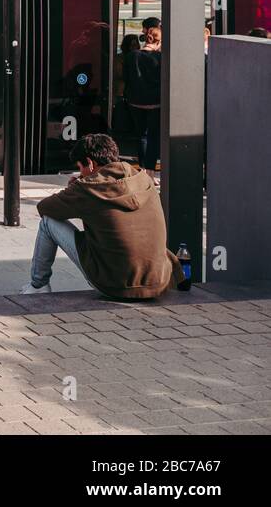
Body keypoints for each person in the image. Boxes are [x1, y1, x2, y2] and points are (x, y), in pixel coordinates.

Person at [20, 134, 181, 300]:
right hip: (158, 281)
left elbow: (45, 208)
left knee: (48, 223)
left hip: (115, 285)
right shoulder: (143, 179)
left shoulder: (87, 188)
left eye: (80, 167)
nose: (80, 172)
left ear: (90, 163)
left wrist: (74, 189)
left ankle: (38, 285)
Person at [122, 17, 162, 177]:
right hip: (155, 103)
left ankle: (144, 169)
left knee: (141, 136)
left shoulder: (132, 56)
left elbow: (126, 79)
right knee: (153, 137)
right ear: (158, 42)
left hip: (136, 102)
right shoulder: (161, 58)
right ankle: (151, 171)